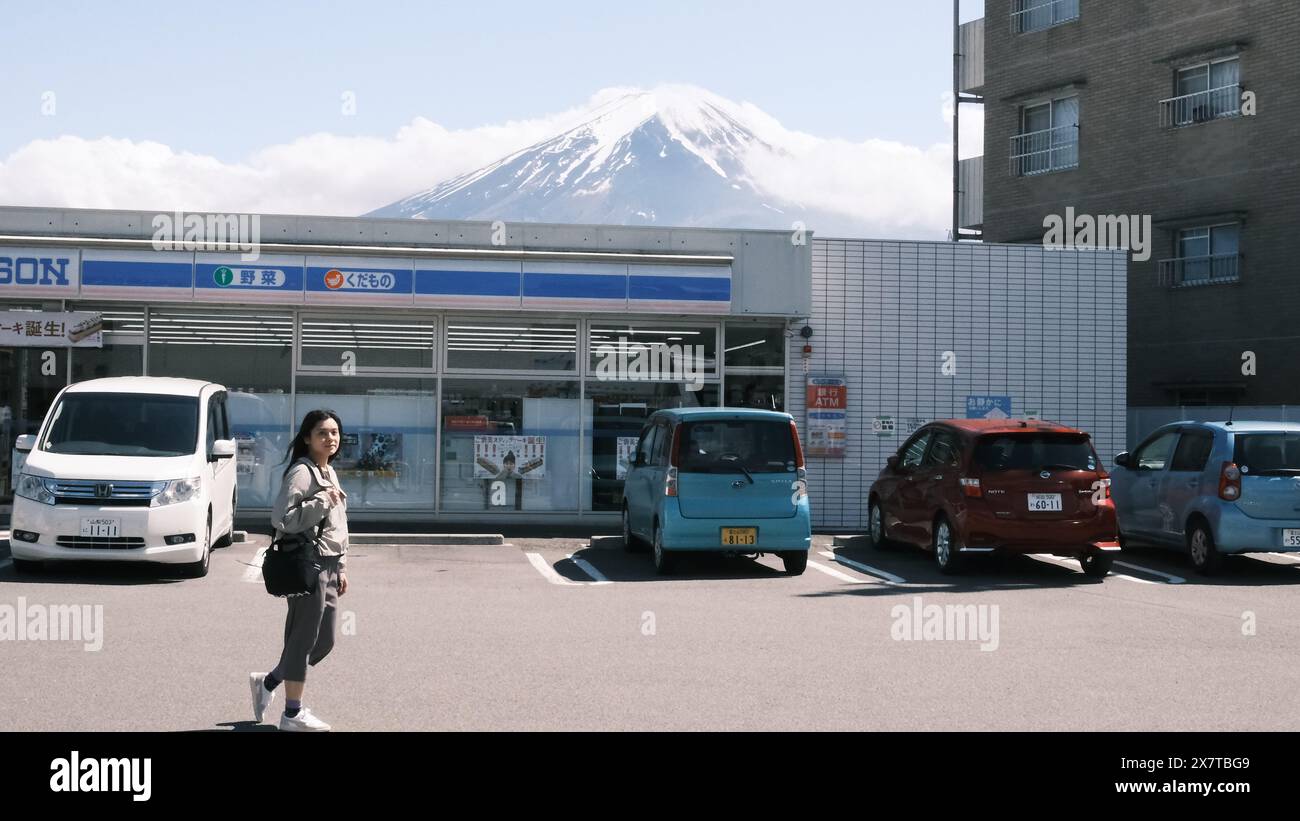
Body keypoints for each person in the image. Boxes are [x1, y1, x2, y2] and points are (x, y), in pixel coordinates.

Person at [249, 409, 350, 732]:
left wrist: (343, 566)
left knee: (325, 641)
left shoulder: (328, 471)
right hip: (310, 563)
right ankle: (292, 713)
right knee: (303, 638)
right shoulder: (302, 473)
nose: (330, 438)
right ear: (307, 437)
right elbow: (282, 518)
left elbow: (338, 525)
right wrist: (322, 500)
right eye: (322, 433)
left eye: (334, 432)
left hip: (331, 564)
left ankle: (270, 681)